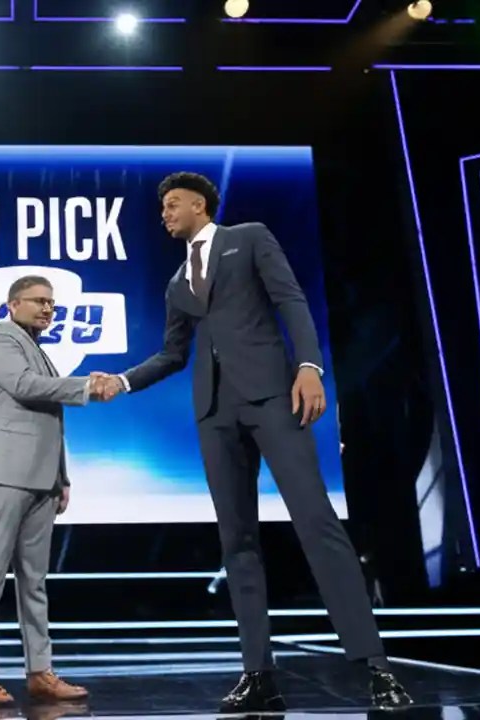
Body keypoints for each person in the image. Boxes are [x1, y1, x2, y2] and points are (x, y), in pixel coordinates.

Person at [93, 172, 413, 712]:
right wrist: (122, 382)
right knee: (236, 542)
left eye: (172, 205)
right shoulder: (177, 284)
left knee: (317, 522)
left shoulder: (249, 237)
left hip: (272, 397)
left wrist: (309, 366)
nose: (164, 214)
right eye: (162, 208)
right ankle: (258, 673)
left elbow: (291, 301)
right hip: (215, 414)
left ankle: (375, 667)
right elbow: (173, 354)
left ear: (200, 204)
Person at [0, 274, 103, 706]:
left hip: (42, 479)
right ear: (12, 304)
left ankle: (40, 671)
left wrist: (61, 478)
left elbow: (48, 421)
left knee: (34, 582)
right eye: (39, 301)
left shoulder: (39, 350)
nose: (48, 309)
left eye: (52, 304)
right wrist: (87, 385)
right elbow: (24, 387)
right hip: (3, 471)